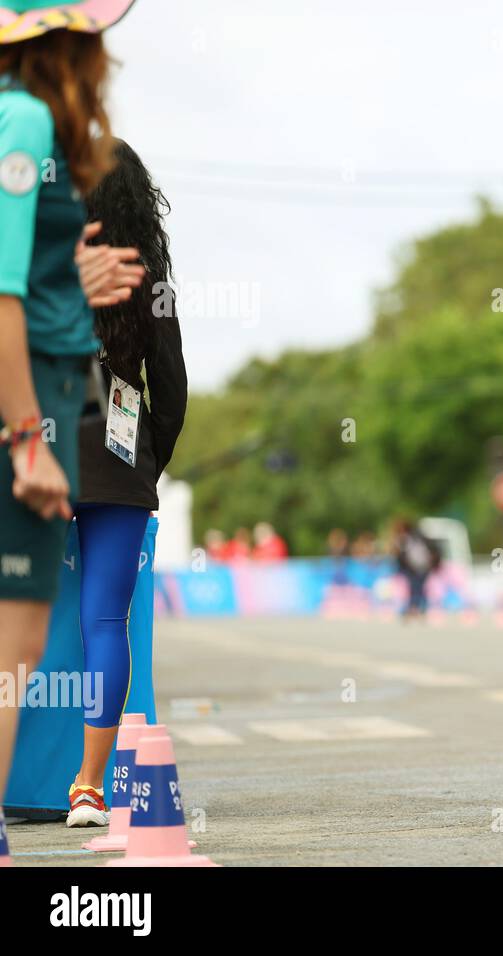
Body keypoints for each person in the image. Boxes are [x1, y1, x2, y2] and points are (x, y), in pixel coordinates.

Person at [0, 0, 137, 864]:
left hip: (45, 395)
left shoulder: (33, 122)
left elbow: (28, 281)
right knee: (12, 648)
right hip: (26, 414)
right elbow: (1, 293)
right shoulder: (21, 118)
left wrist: (71, 278)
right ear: (68, 47)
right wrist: (25, 437)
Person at [66, 138, 187, 827]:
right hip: (119, 461)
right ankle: (88, 788)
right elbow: (172, 390)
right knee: (106, 622)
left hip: (38, 445)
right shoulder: (157, 281)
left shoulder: (45, 263)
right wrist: (147, 465)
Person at [392, 518, 439, 620]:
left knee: (414, 589)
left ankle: (414, 609)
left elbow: (401, 554)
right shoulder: (423, 538)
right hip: (423, 567)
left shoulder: (407, 538)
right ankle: (421, 609)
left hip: (413, 568)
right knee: (421, 589)